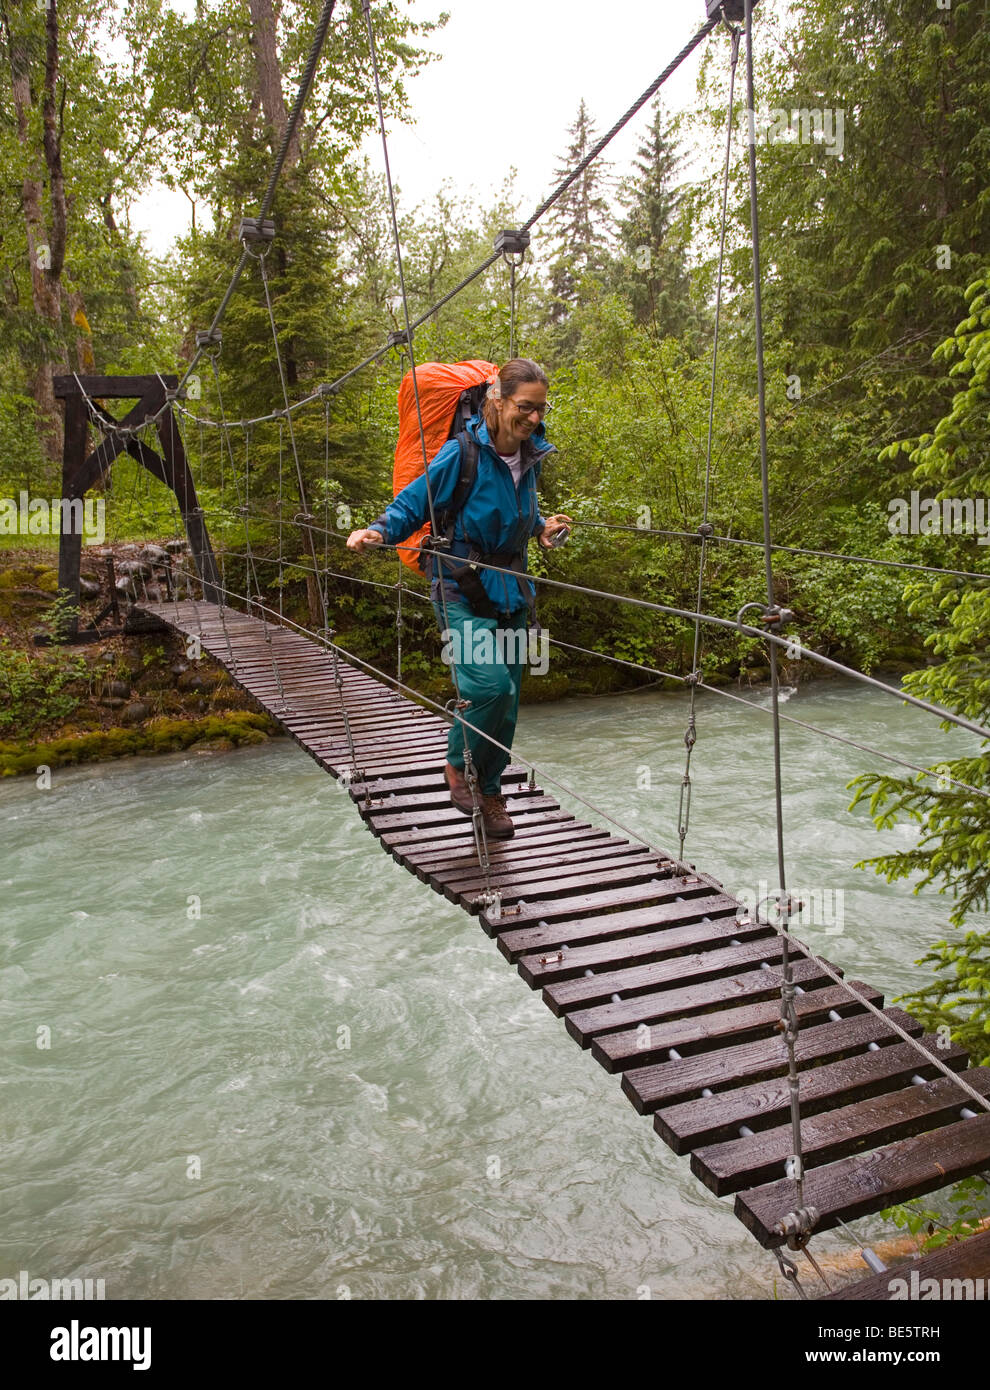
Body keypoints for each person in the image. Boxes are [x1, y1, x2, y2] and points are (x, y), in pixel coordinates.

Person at [347, 358, 571, 839]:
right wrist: (380, 531)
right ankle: (456, 764)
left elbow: (514, 511)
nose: (534, 418)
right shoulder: (462, 453)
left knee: (508, 704)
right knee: (490, 689)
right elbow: (416, 501)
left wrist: (540, 527)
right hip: (460, 587)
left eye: (540, 409)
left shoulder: (529, 454)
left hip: (512, 592)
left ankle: (489, 791)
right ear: (498, 400)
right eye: (525, 407)